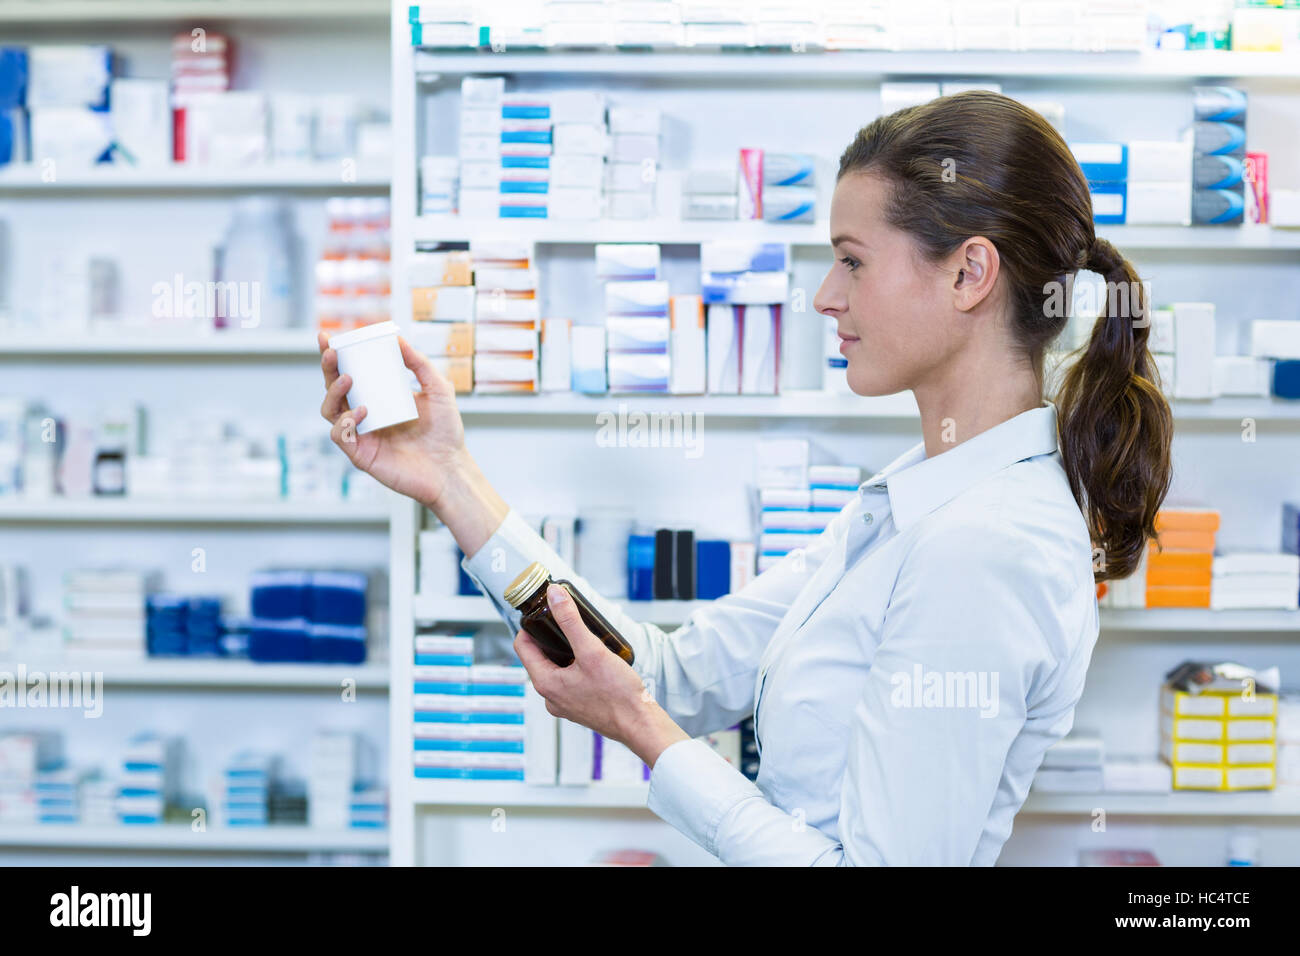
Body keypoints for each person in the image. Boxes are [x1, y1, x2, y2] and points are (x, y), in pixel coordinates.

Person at [318, 91, 1173, 866]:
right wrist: (449, 477)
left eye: (853, 261)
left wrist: (637, 730)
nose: (823, 297)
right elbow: (671, 672)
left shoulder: (984, 546)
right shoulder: (913, 499)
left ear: (968, 272)